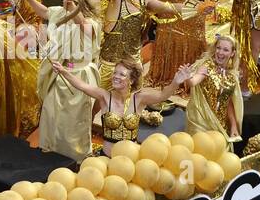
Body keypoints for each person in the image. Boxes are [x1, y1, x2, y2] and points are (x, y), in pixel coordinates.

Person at [12, 0, 102, 161]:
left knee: (72, 123)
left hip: (78, 77)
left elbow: (83, 24)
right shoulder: (60, 13)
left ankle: (75, 158)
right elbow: (44, 12)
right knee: (51, 115)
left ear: (78, 1)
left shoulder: (93, 23)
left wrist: (72, 9)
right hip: (57, 74)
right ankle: (51, 151)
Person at [53, 56, 186, 153]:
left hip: (131, 160)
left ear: (132, 80)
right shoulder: (104, 96)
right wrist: (64, 71)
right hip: (106, 159)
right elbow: (82, 86)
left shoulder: (139, 99)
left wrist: (176, 81)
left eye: (122, 74)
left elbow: (163, 96)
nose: (116, 76)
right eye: (115, 73)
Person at [182, 35, 243, 146]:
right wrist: (187, 77)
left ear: (232, 53)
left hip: (219, 125)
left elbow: (228, 102)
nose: (220, 52)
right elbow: (194, 81)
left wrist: (234, 125)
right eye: (218, 48)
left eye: (225, 50)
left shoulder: (231, 76)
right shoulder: (206, 66)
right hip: (201, 122)